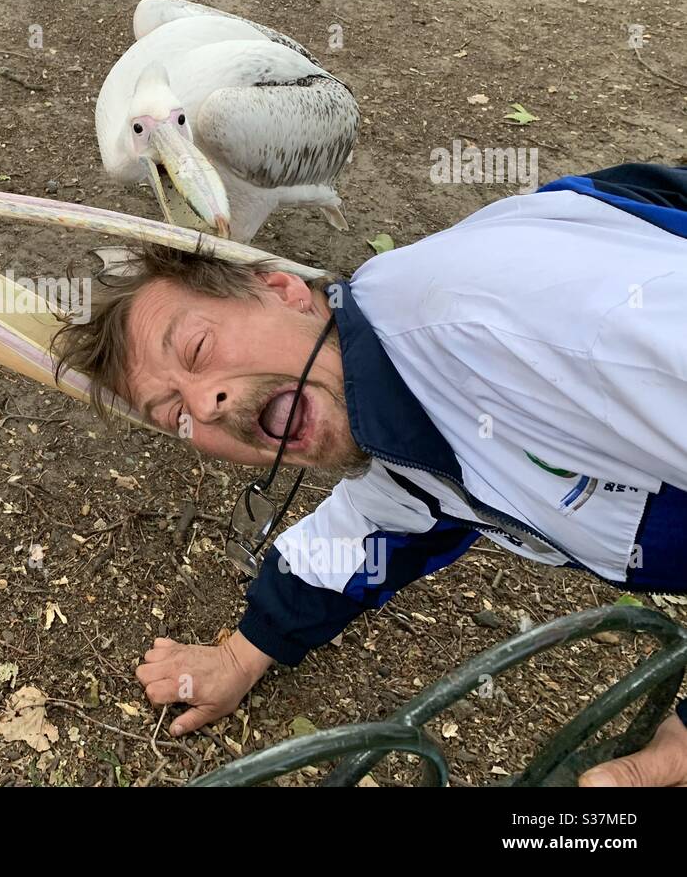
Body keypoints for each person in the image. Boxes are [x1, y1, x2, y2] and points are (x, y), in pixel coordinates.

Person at [53, 163, 687, 787]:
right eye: (175, 416)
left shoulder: (543, 330)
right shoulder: (391, 391)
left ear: (281, 288)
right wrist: (241, 654)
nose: (203, 406)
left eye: (195, 349)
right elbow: (378, 527)